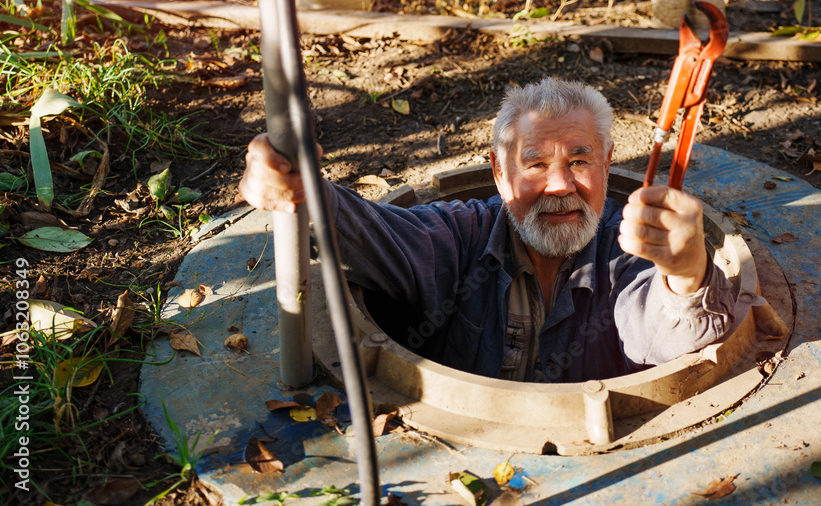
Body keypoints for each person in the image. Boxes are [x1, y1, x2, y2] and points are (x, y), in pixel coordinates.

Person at [239, 77, 740, 383]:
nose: (560, 185)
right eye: (536, 163)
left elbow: (672, 344)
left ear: (608, 166)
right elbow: (367, 233)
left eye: (580, 160)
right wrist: (297, 186)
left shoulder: (629, 246)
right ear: (500, 174)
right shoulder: (460, 238)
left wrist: (687, 271)